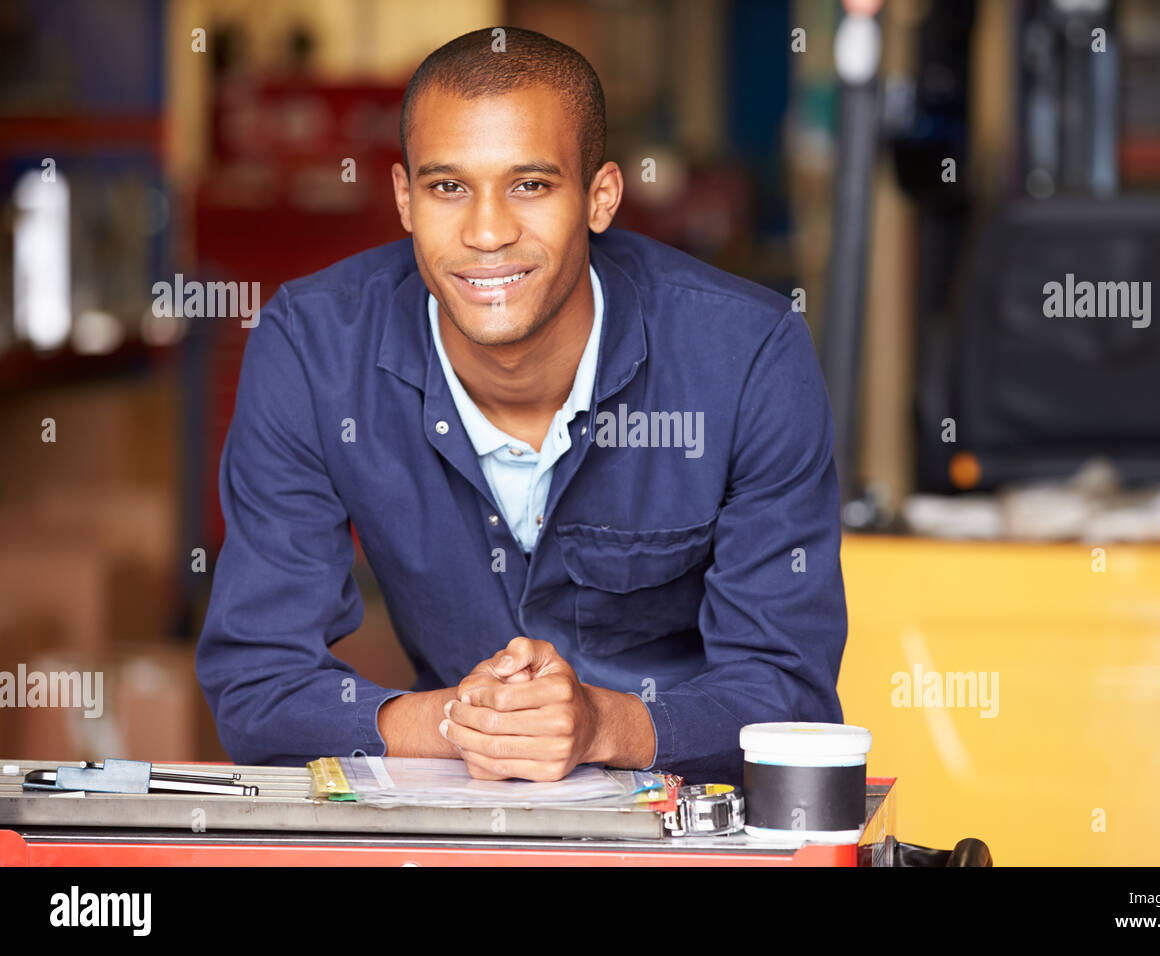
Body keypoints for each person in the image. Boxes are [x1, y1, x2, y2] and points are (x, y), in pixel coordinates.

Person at [195, 25, 847, 787]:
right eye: (448, 187)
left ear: (601, 197)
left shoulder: (746, 357)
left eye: (530, 185)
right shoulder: (313, 350)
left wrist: (604, 724)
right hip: (462, 811)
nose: (487, 232)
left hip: (687, 823)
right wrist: (456, 721)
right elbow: (257, 681)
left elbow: (789, 699)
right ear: (404, 199)